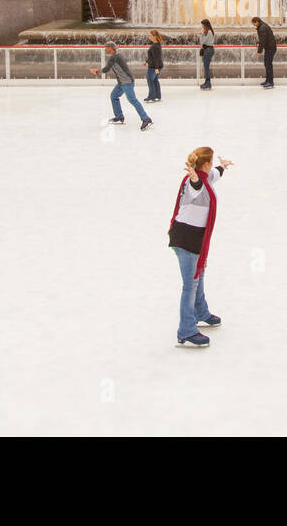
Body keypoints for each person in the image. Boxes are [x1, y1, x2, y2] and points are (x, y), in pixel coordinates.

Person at [168, 146, 233, 346]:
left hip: (196, 240)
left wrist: (222, 167)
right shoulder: (193, 183)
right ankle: (186, 330)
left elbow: (214, 175)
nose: (213, 167)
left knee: (199, 275)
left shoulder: (207, 177)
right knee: (190, 285)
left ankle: (200, 311)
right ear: (204, 165)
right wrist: (194, 177)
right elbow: (196, 185)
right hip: (186, 239)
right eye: (212, 163)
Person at [90, 41, 152, 129]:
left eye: (106, 48)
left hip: (126, 82)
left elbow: (106, 69)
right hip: (122, 82)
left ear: (111, 48)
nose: (105, 49)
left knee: (132, 100)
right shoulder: (116, 55)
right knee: (114, 96)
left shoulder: (115, 57)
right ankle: (119, 116)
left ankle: (146, 118)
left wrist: (96, 72)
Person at [252, 16, 277, 88]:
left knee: (268, 65)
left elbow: (263, 41)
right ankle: (268, 80)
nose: (254, 25)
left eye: (254, 24)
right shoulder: (262, 26)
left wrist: (258, 52)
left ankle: (270, 82)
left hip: (270, 48)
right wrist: (258, 42)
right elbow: (263, 38)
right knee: (267, 64)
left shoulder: (262, 28)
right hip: (269, 48)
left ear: (257, 22)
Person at [144, 29, 164, 102]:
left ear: (155, 36)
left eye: (151, 36)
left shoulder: (154, 46)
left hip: (153, 67)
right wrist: (146, 61)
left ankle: (151, 96)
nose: (149, 37)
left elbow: (156, 58)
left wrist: (156, 68)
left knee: (150, 80)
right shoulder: (158, 44)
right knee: (155, 80)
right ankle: (157, 96)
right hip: (159, 66)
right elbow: (153, 57)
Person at [198, 19, 215, 90]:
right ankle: (206, 82)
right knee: (205, 67)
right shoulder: (207, 32)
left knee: (206, 67)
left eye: (203, 25)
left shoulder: (209, 32)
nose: (202, 26)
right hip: (207, 50)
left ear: (206, 25)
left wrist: (201, 34)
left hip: (208, 50)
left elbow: (203, 41)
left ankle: (208, 83)